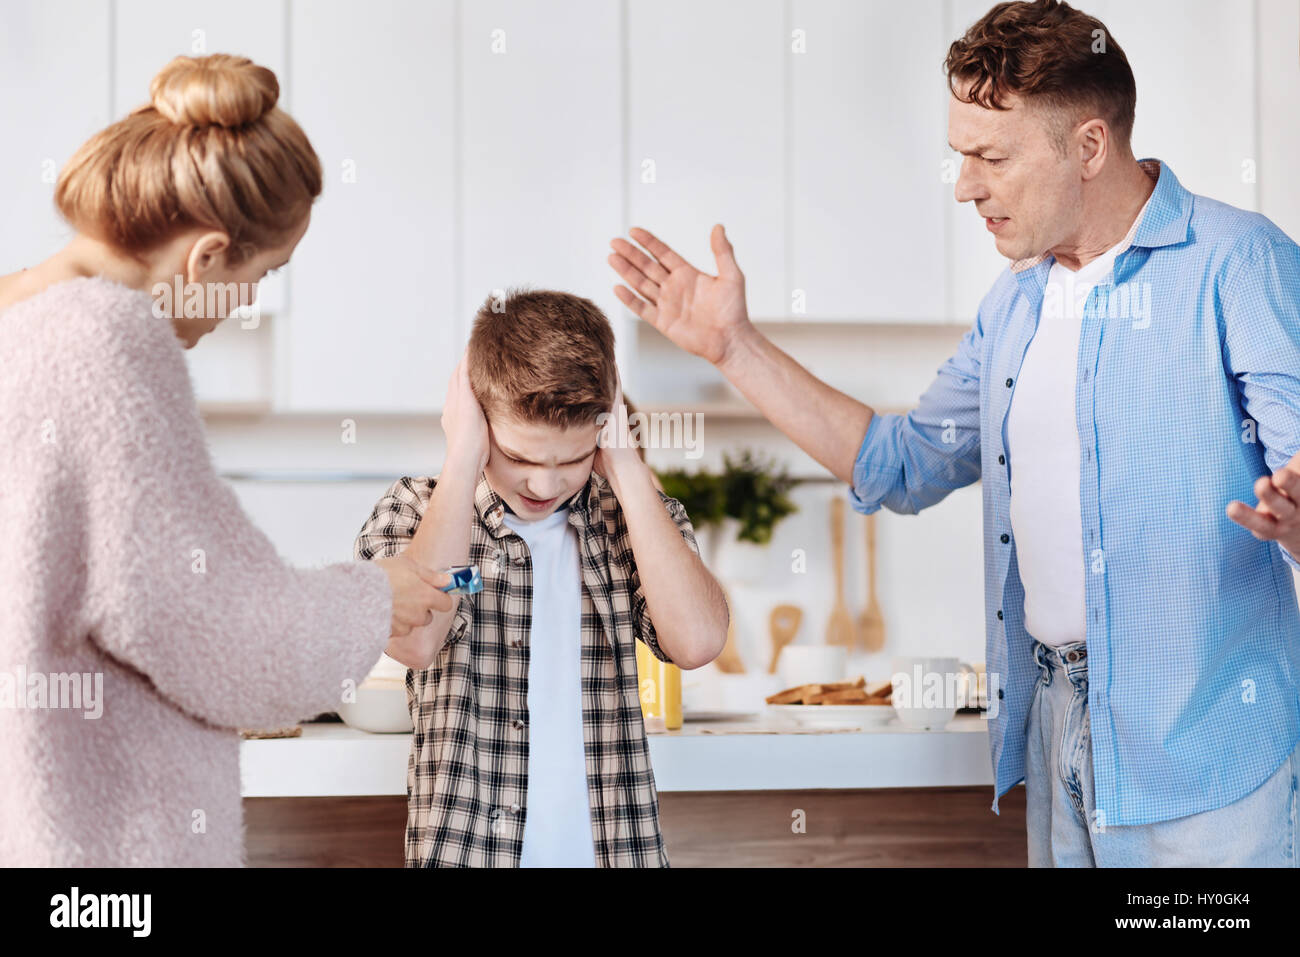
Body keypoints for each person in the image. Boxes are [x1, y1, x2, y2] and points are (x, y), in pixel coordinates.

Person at [607, 0, 1300, 866]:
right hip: (1059, 738)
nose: (966, 184)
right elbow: (896, 465)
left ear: (1089, 146)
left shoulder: (1239, 264)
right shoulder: (1015, 306)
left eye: (991, 156)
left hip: (1207, 763)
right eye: (960, 155)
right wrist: (734, 347)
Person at [0, 54, 452, 866]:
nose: (247, 304)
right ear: (208, 258)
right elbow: (218, 632)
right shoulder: (106, 345)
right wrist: (369, 599)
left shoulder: (16, 312)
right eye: (263, 273)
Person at [353, 289, 729, 867]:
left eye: (570, 461)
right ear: (475, 417)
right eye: (520, 457)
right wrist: (462, 460)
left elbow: (698, 641)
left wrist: (625, 465)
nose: (544, 485)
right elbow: (416, 640)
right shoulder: (412, 510)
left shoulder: (628, 521)